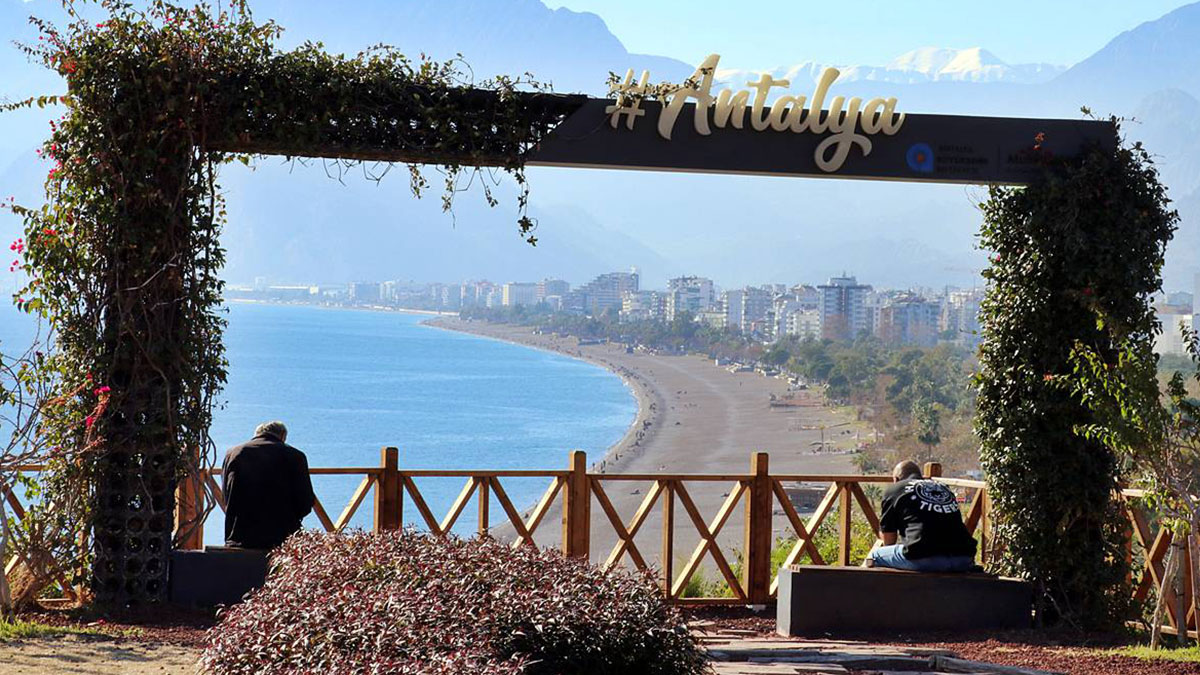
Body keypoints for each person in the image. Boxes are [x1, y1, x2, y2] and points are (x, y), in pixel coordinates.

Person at [867, 460, 977, 572]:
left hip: (923, 558)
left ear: (896, 479)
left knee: (876, 556)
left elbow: (889, 541)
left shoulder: (895, 489)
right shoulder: (943, 487)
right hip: (964, 558)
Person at [222, 421, 315, 550]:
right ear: (282, 436)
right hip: (282, 537)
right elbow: (305, 501)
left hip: (240, 536)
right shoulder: (295, 455)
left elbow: (226, 494)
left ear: (256, 434)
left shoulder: (233, 453)